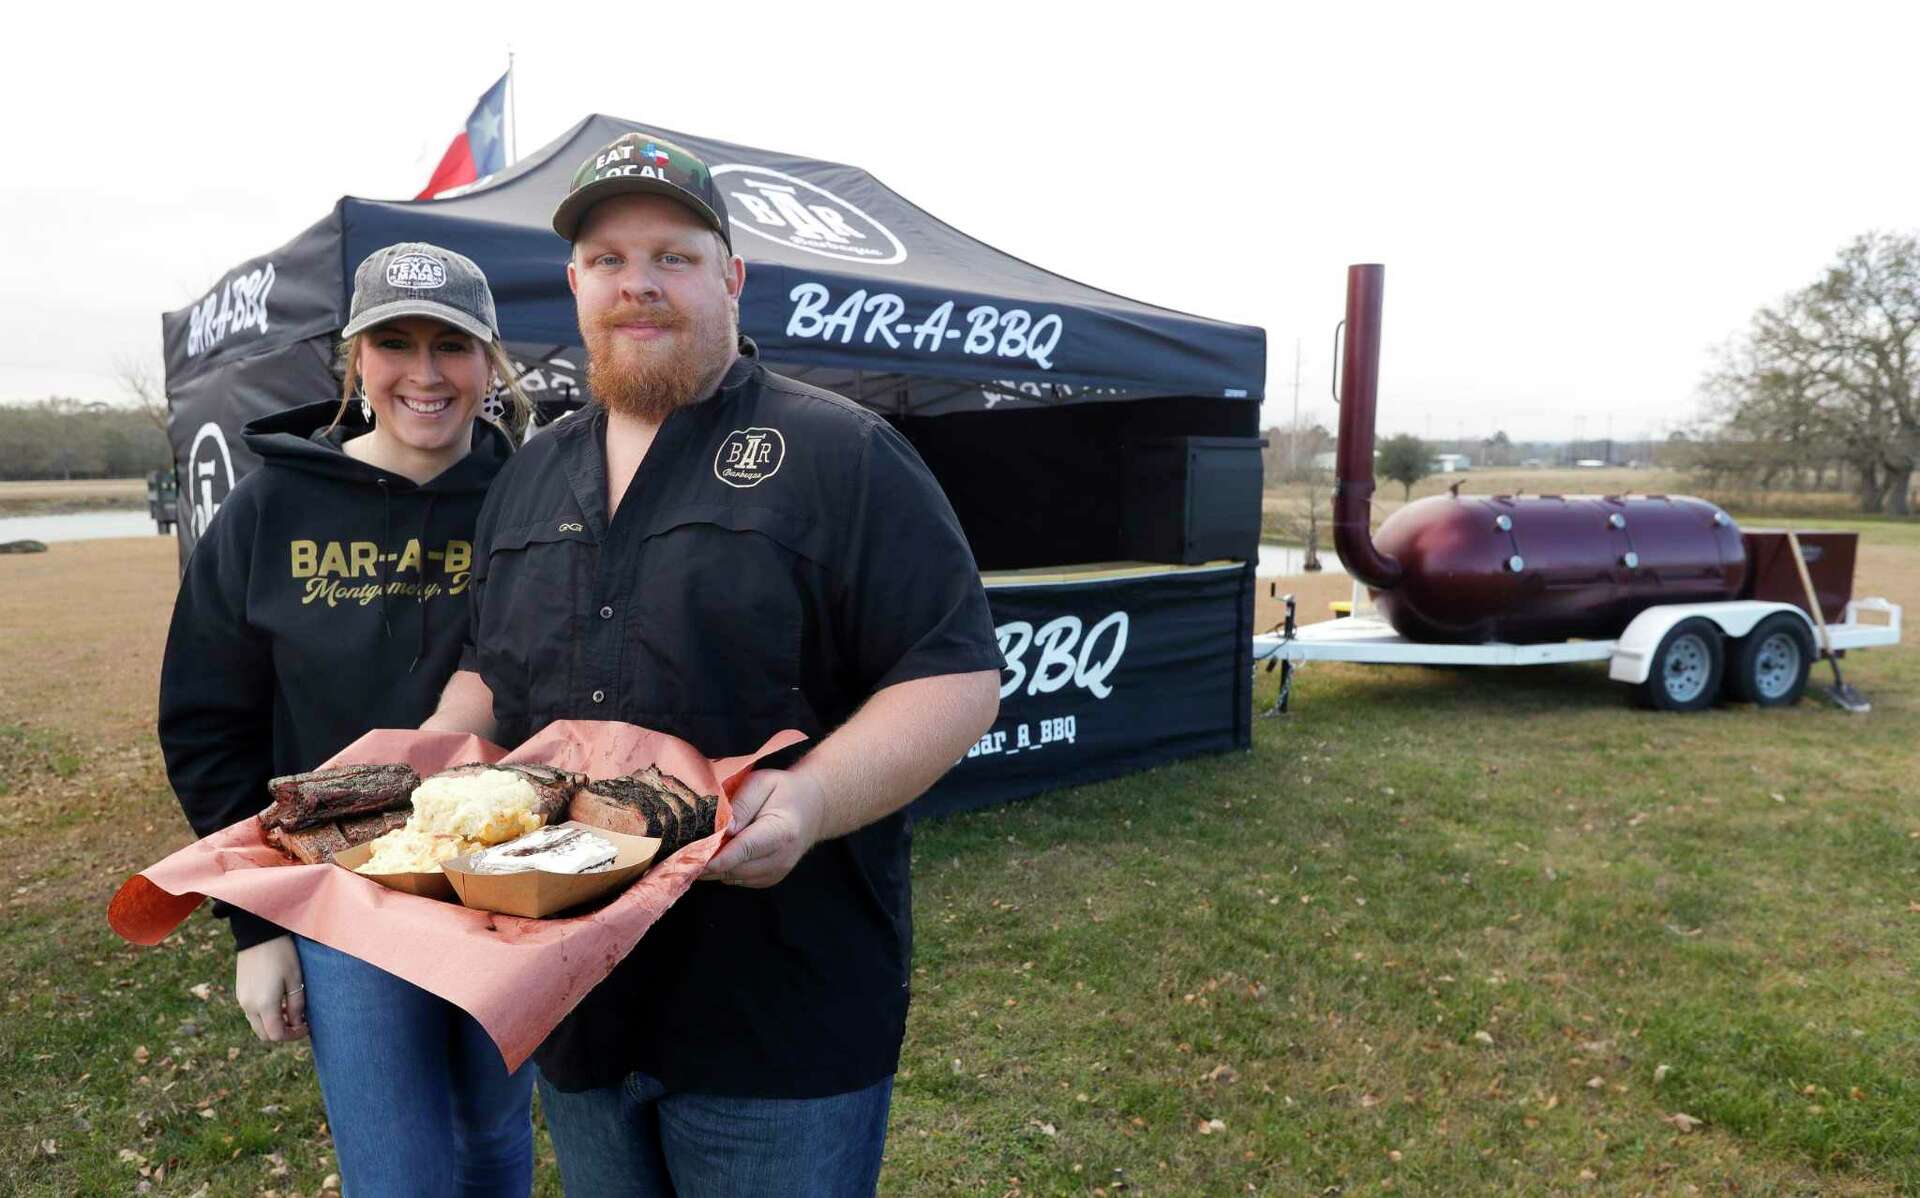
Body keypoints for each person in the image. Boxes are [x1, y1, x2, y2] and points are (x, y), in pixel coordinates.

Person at [421, 132, 1004, 1195]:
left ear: (733, 278)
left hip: (776, 1012)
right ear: (574, 285)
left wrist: (813, 797)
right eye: (607, 261)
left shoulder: (843, 453)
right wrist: (428, 775)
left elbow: (955, 674)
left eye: (673, 257)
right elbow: (487, 676)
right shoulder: (530, 474)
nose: (637, 285)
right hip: (574, 1006)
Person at [159, 242, 536, 1197]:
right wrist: (255, 926)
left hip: (508, 887)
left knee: (494, 1145)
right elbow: (208, 724)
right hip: (341, 899)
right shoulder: (268, 509)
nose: (424, 372)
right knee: (399, 1175)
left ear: (489, 362)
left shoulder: (535, 499)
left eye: (451, 344)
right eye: (394, 343)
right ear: (353, 360)